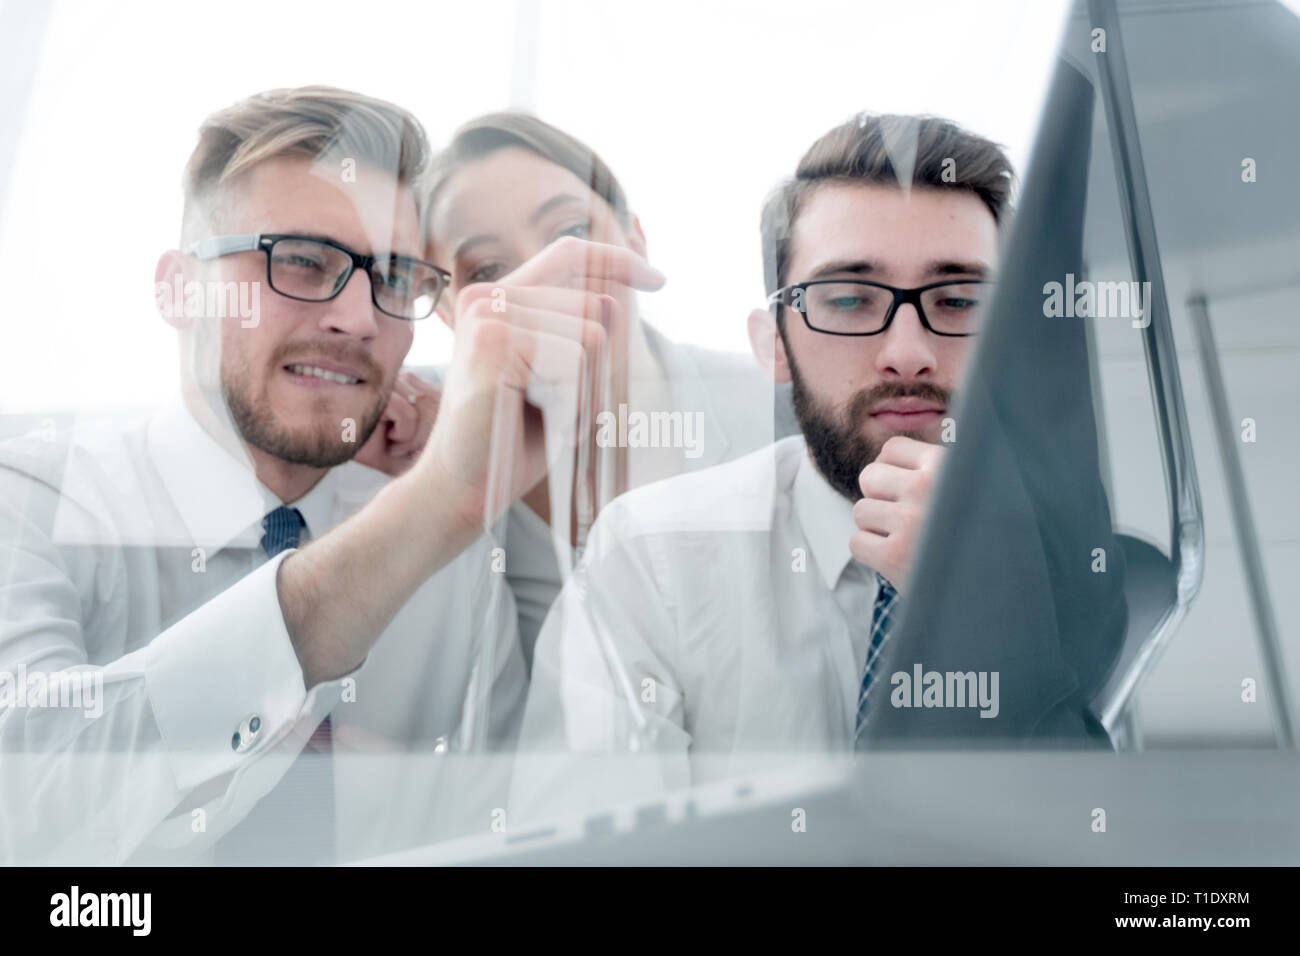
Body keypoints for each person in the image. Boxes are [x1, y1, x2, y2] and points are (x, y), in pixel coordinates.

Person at [0, 86, 656, 864]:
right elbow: (25, 803)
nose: (358, 317)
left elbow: (503, 832)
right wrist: (429, 509)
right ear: (179, 288)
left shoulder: (451, 549)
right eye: (303, 262)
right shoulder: (34, 501)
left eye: (396, 278)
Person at [508, 112, 1023, 821]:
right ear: (774, 346)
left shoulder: (1074, 567)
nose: (908, 351)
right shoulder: (651, 562)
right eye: (848, 299)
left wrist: (976, 614)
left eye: (960, 301)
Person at [358, 112, 798, 668]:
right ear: (447, 312)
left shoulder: (774, 411)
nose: (548, 274)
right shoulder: (410, 422)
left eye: (570, 232)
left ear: (635, 239)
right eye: (488, 267)